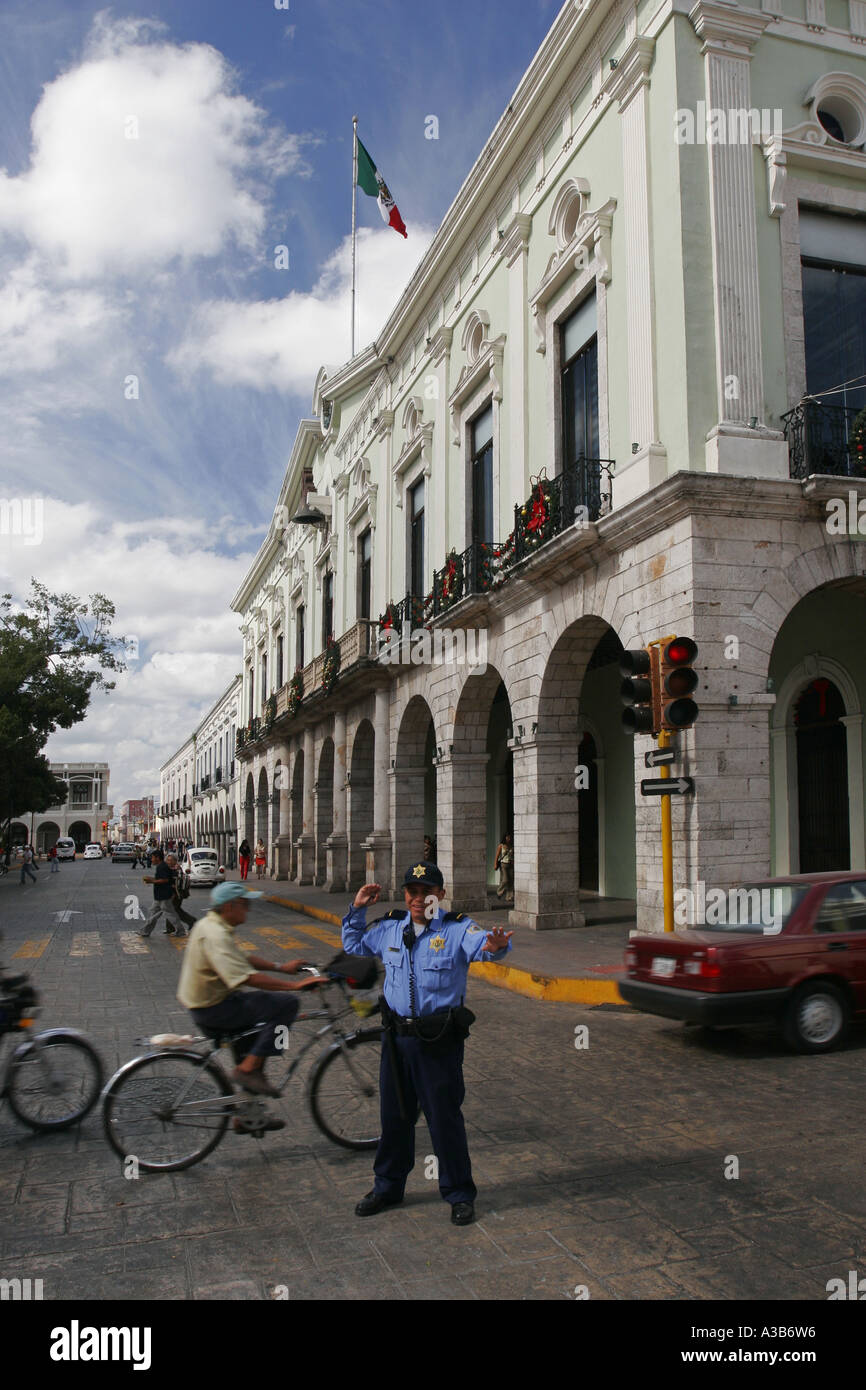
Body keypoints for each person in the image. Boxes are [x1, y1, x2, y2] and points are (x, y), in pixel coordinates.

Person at [342, 861, 513, 1227]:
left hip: (437, 1043)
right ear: (405, 894)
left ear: (441, 894)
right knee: (394, 1117)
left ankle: (459, 1193)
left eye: (427, 892)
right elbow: (353, 943)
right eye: (413, 892)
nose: (419, 899)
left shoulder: (456, 929)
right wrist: (357, 908)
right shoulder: (389, 927)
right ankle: (387, 1187)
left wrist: (495, 946)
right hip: (396, 1038)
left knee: (443, 1119)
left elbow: (483, 946)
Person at [177, 882, 323, 1104]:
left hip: (210, 1002)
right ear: (229, 906)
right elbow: (247, 978)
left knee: (256, 1035)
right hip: (214, 1008)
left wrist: (280, 967)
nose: (249, 909)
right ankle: (246, 1070)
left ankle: (246, 1110)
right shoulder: (216, 935)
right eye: (245, 904)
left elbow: (244, 958)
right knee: (287, 1005)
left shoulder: (212, 924)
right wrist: (295, 986)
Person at [137, 849, 187, 939]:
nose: (151, 860)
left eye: (152, 858)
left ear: (157, 858)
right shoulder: (161, 866)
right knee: (153, 913)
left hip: (164, 895)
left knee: (169, 914)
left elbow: (165, 880)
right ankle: (145, 931)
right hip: (159, 896)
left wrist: (151, 880)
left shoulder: (162, 867)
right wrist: (152, 879)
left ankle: (180, 931)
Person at [164, 853, 196, 934]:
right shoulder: (169, 868)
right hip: (170, 893)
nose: (169, 862)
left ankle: (191, 921)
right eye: (168, 860)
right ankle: (170, 928)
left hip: (177, 893)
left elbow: (177, 882)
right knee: (172, 909)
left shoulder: (177, 869)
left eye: (171, 860)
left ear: (175, 860)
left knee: (174, 909)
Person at [494, 833, 514, 901]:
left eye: (510, 837)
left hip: (510, 864)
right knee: (505, 880)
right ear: (505, 838)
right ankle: (499, 892)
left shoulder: (511, 846)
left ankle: (509, 897)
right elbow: (497, 855)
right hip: (503, 864)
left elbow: (512, 856)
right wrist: (495, 864)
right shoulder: (501, 846)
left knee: (511, 881)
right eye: (507, 837)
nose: (509, 839)